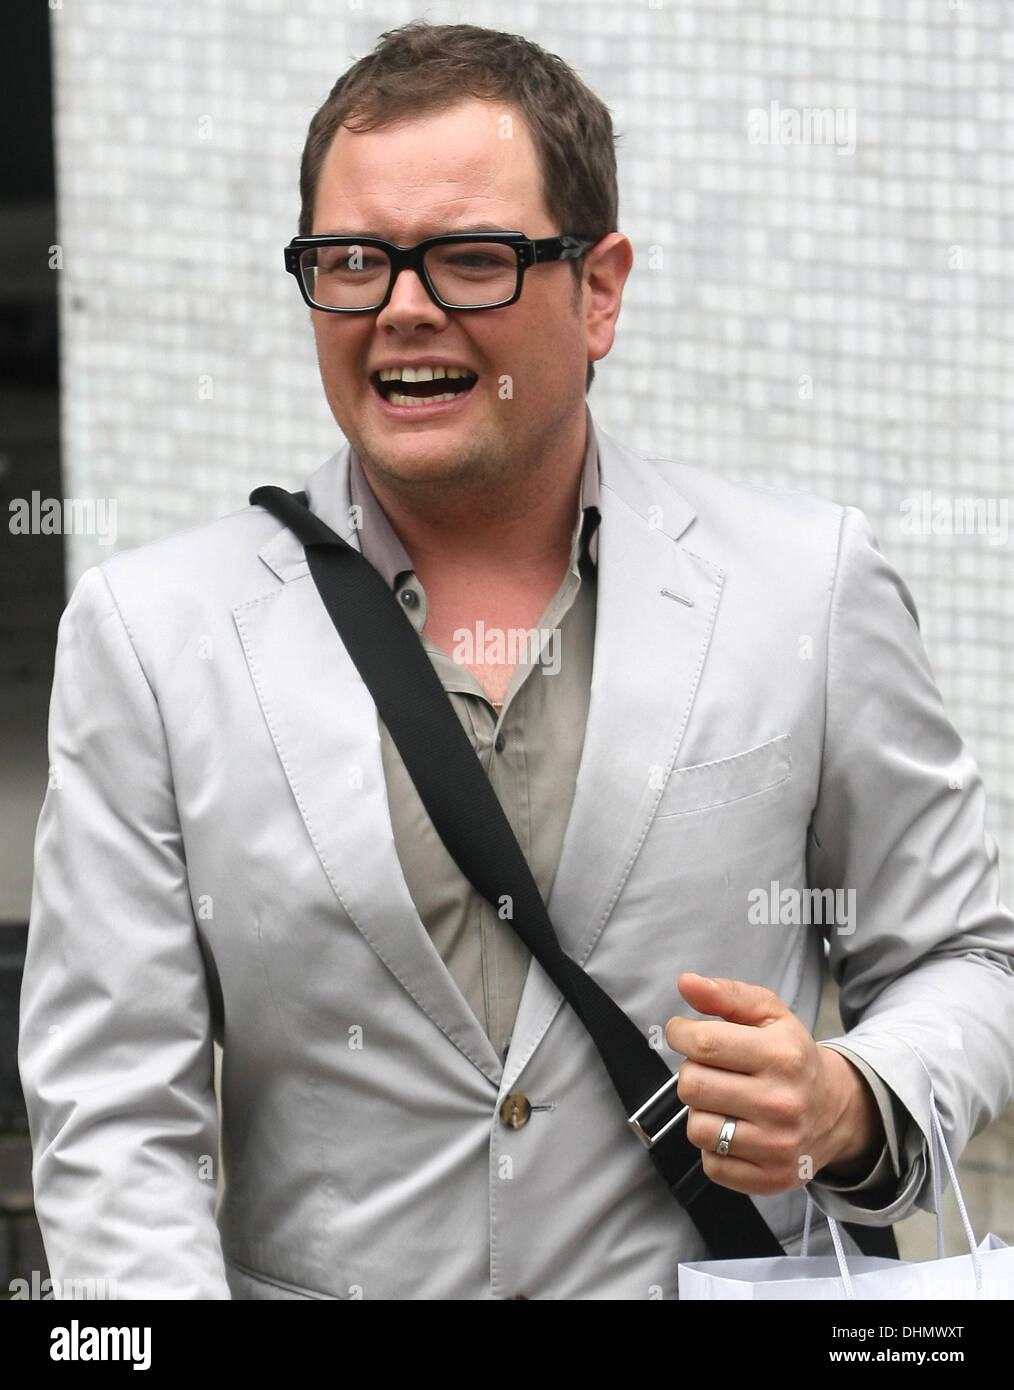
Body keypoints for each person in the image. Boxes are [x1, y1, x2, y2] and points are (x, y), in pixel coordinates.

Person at [19, 21, 1014, 1300]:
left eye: (473, 259)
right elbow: (113, 1116)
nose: (403, 307)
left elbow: (963, 958)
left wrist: (852, 1101)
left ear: (599, 289)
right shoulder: (151, 636)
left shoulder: (804, 588)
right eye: (353, 261)